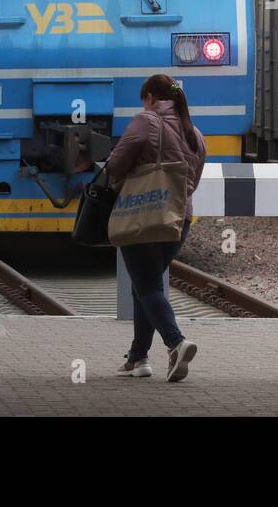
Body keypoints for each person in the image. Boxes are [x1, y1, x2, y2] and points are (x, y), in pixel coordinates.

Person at [107, 73, 207, 382]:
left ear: (150, 97)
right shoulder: (195, 133)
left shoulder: (146, 121)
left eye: (145, 100)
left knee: (148, 287)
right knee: (145, 285)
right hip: (179, 220)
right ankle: (139, 358)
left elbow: (117, 163)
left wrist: (112, 169)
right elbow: (193, 181)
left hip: (144, 215)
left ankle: (176, 343)